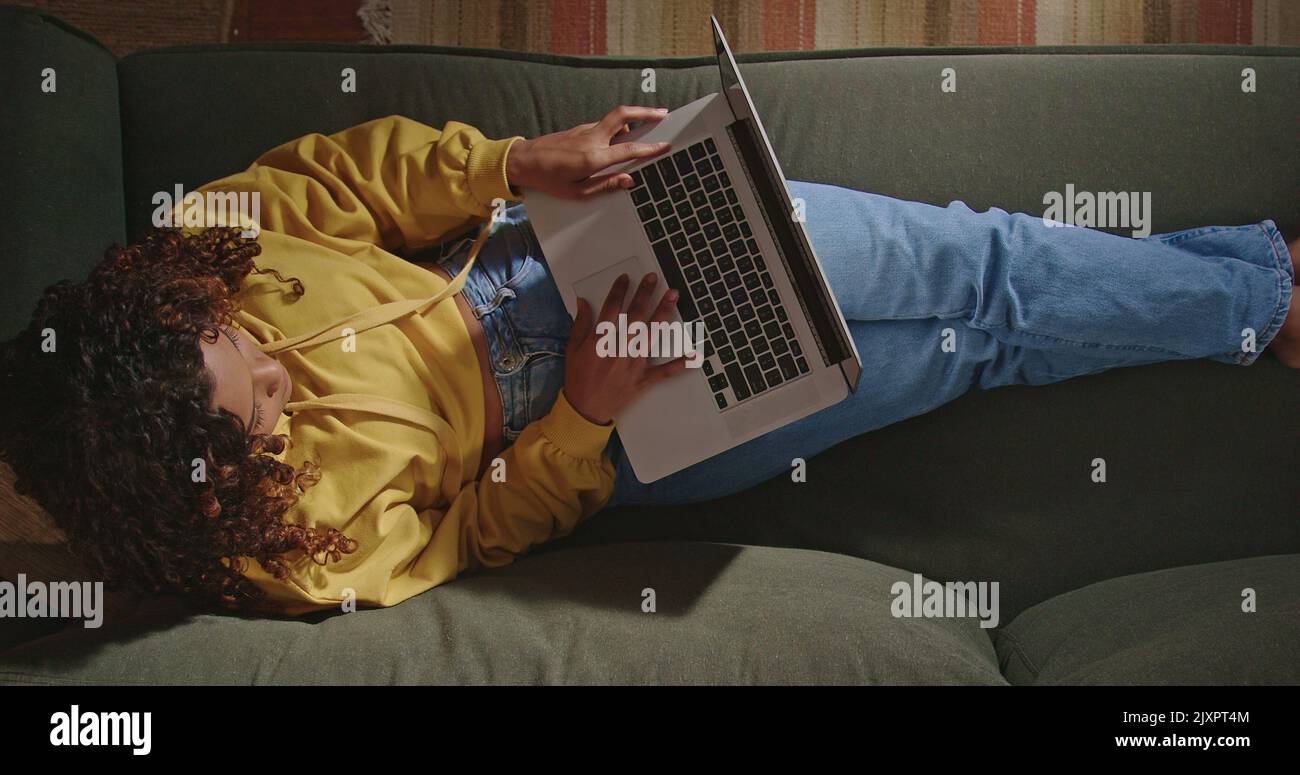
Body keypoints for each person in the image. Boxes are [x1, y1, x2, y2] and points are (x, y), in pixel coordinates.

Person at [1, 107, 1294, 614]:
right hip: (603, 427)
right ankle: (1261, 279)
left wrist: (512, 164)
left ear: (178, 310)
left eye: (247, 354)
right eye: (257, 423)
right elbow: (467, 540)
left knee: (974, 268)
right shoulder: (257, 548)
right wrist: (581, 413)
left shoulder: (193, 249)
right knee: (971, 352)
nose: (280, 385)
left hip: (554, 252)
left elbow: (339, 175)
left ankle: (1271, 306)